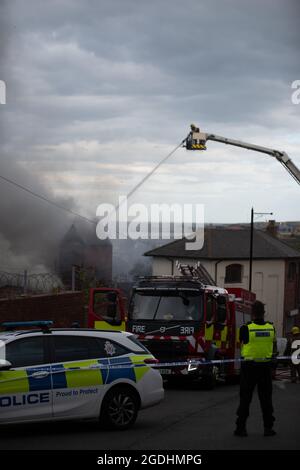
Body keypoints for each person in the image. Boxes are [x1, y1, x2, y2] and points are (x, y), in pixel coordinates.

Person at [234, 300, 277, 437]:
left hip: (249, 367)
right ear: (263, 313)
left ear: (252, 313)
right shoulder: (271, 328)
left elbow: (238, 344)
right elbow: (274, 347)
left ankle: (241, 428)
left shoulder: (245, 328)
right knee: (266, 399)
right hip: (265, 367)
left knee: (245, 399)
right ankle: (268, 428)